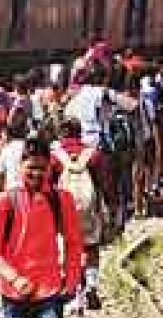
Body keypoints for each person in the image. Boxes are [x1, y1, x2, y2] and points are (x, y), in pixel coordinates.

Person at [0, 138, 84, 318]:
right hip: (14, 293)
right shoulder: (4, 202)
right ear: (21, 165)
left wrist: (71, 280)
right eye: (31, 168)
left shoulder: (61, 199)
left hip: (50, 291)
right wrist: (14, 278)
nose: (37, 173)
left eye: (42, 168)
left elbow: (74, 243)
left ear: (50, 168)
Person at [49, 117, 112, 312]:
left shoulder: (55, 156)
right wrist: (107, 205)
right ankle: (91, 285)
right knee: (91, 246)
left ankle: (75, 291)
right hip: (89, 207)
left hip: (64, 207)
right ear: (79, 133)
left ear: (61, 134)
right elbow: (104, 182)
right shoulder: (93, 155)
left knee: (69, 248)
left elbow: (48, 185)